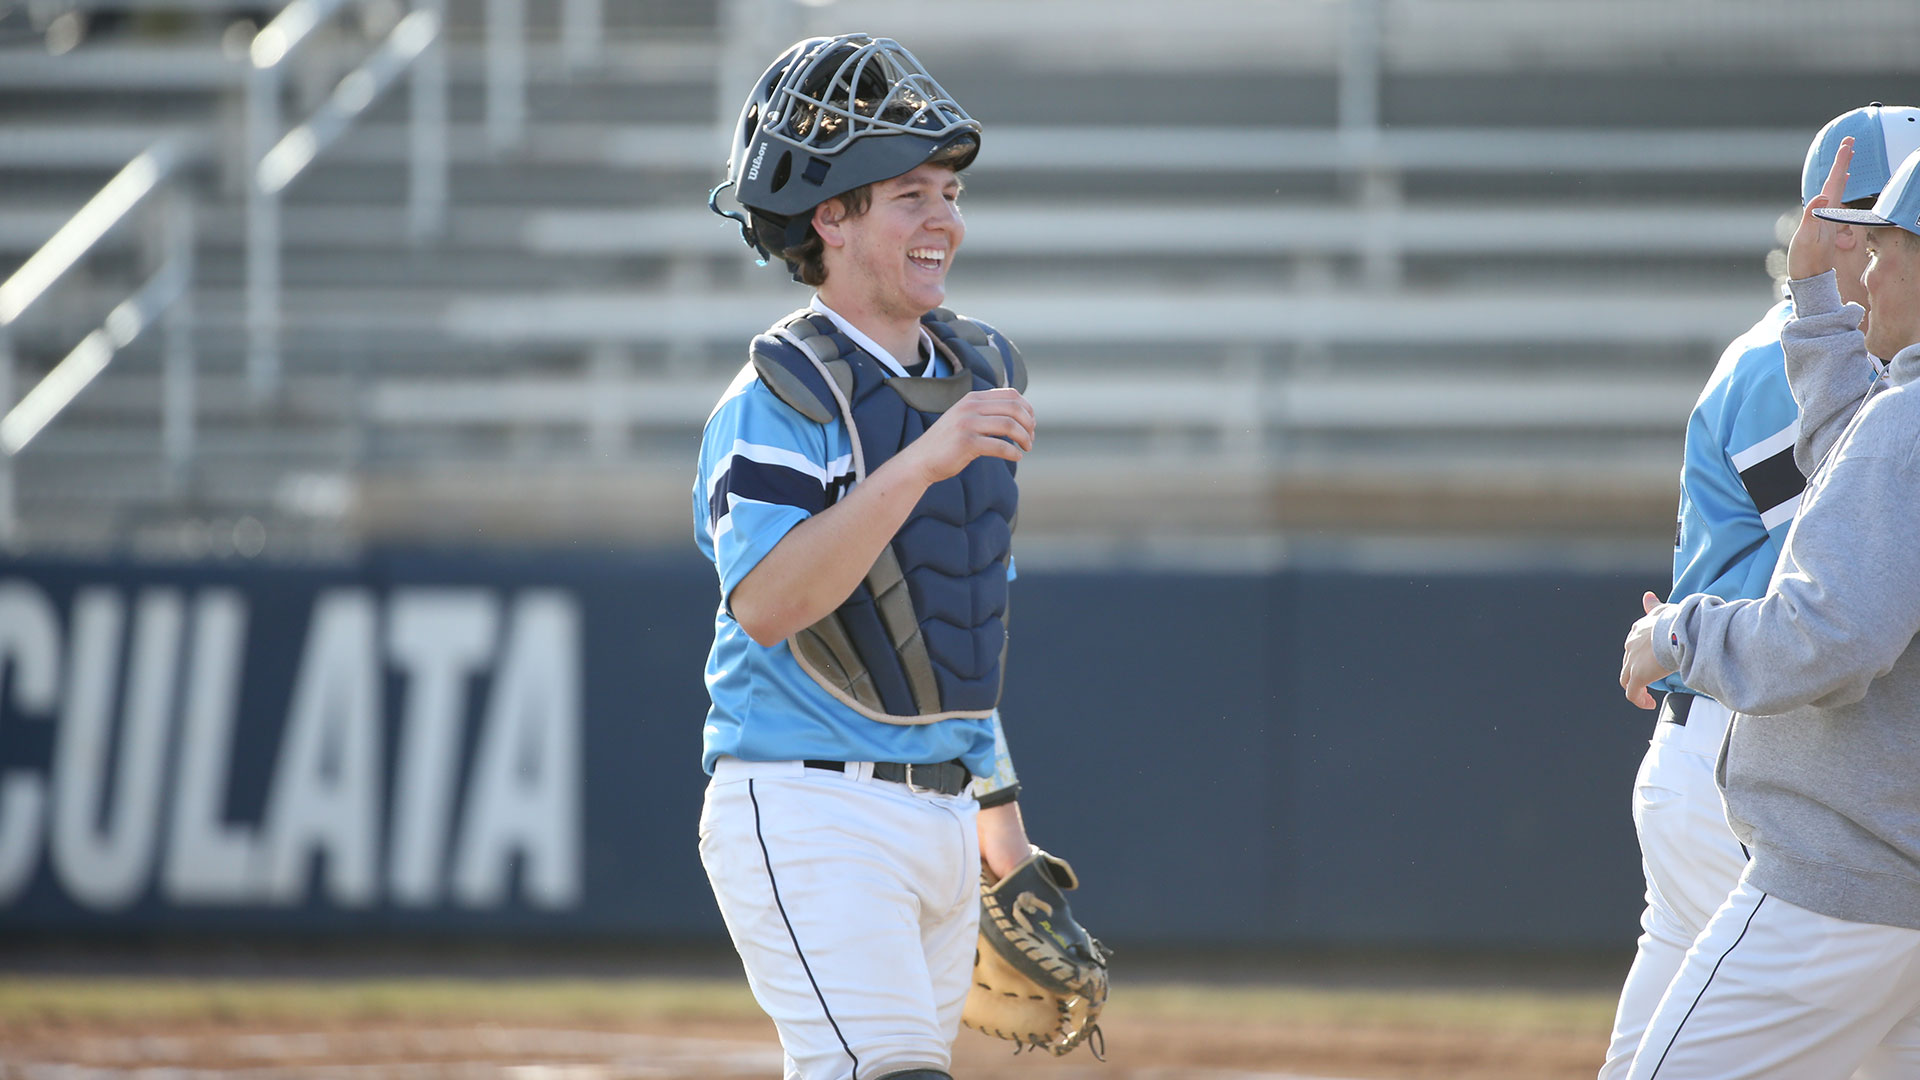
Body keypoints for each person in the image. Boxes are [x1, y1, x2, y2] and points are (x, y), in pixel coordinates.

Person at [693, 34, 1038, 1080]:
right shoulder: (779, 395)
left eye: (949, 190)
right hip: (807, 807)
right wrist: (922, 463)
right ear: (828, 220)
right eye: (908, 194)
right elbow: (768, 603)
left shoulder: (978, 369)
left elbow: (960, 630)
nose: (946, 219)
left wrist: (1006, 841)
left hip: (937, 813)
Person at [1598, 104, 1920, 1080]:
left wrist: (1685, 632)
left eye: (1886, 241)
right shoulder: (1808, 364)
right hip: (1752, 750)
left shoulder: (1874, 379)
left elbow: (1835, 600)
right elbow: (1841, 542)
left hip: (1803, 762)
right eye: (1863, 235)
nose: (1869, 264)